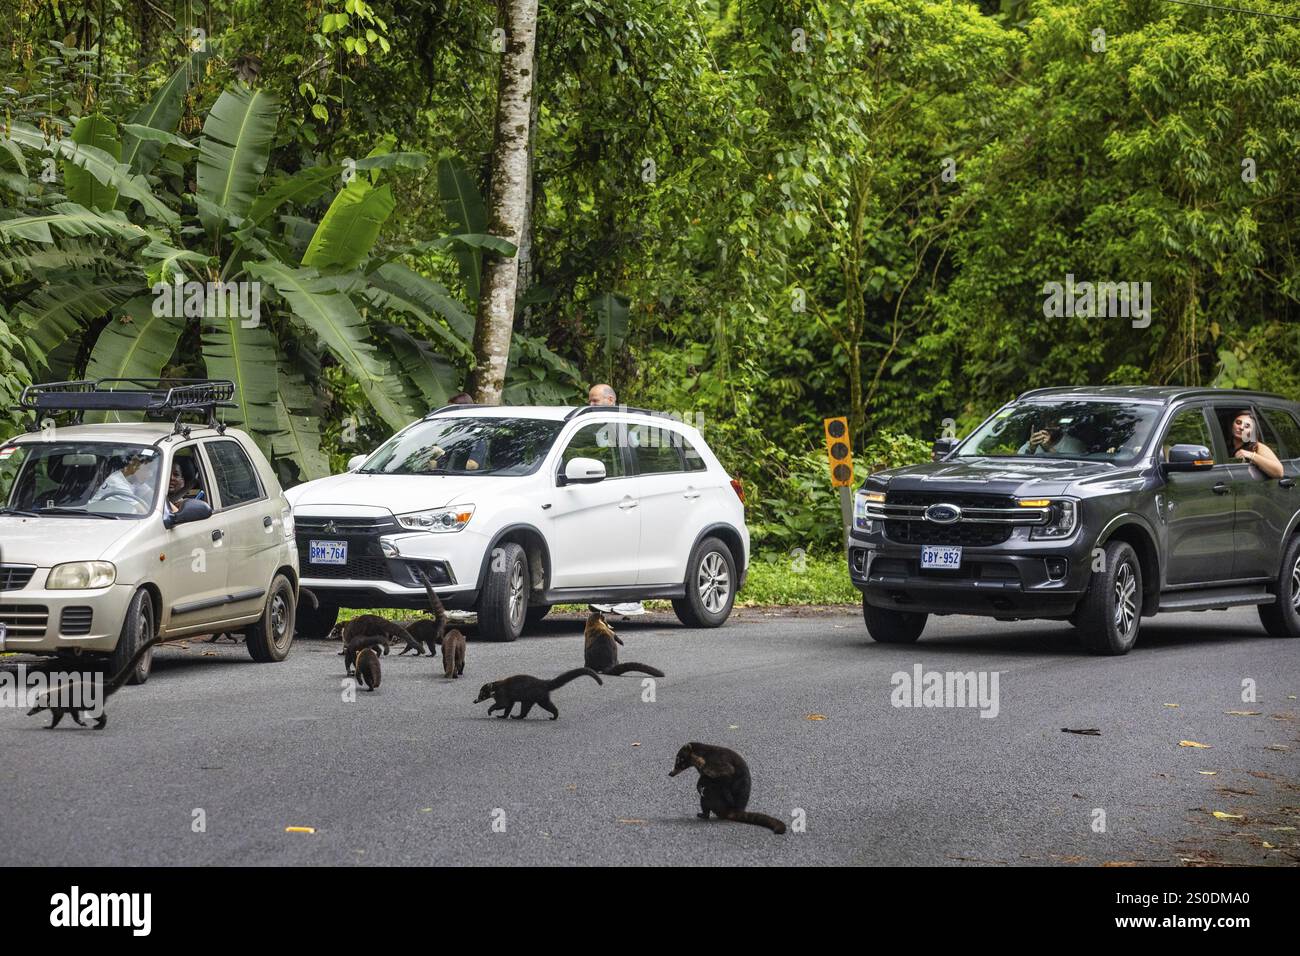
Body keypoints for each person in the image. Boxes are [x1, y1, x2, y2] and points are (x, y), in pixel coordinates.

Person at [586, 382, 645, 617]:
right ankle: (609, 596)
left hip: (631, 495)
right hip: (604, 495)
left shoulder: (625, 428)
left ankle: (633, 598)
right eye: (589, 401)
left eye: (594, 401)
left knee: (630, 546)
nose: (590, 405)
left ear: (610, 401)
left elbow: (633, 463)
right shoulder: (596, 428)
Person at [89, 451, 159, 512]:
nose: (151, 474)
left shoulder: (134, 480)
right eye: (148, 469)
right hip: (93, 516)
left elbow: (155, 498)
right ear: (134, 465)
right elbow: (144, 512)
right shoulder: (117, 483)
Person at [1229, 410, 1284, 479]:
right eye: (1238, 422)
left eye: (1247, 426)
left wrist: (1251, 455)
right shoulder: (1224, 446)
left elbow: (1279, 472)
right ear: (1232, 424)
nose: (1241, 427)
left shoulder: (1257, 447)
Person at [1017, 414, 1087, 457]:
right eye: (1044, 422)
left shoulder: (1074, 445)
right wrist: (1031, 449)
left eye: (1051, 422)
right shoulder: (1031, 445)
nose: (1047, 426)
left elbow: (1072, 468)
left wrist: (1049, 448)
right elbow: (1017, 467)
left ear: (1059, 425)